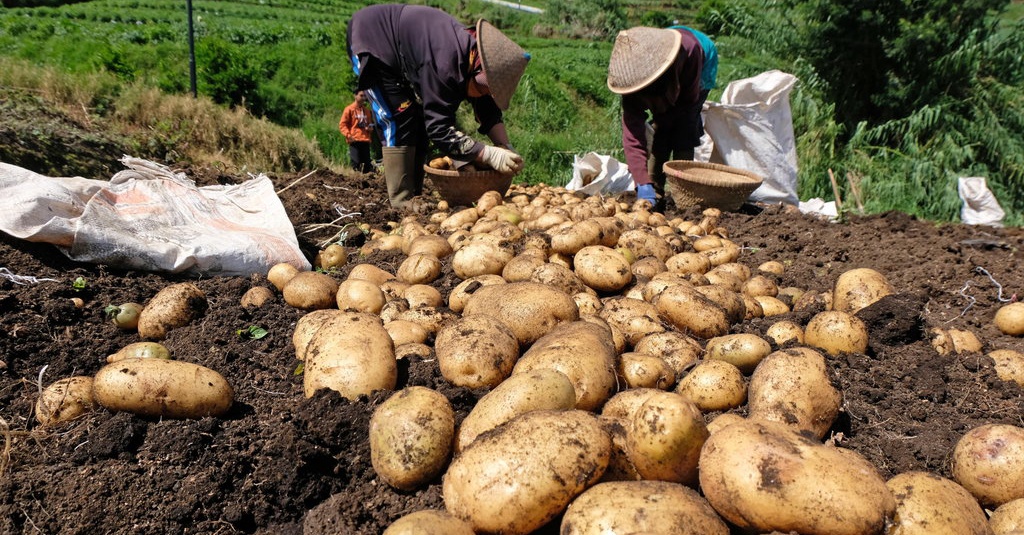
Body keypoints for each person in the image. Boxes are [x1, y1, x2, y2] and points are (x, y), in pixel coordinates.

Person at [346, 4, 530, 208]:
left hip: (400, 47)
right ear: (476, 73)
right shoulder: (446, 65)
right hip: (371, 40)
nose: (482, 96)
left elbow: (485, 103)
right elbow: (438, 128)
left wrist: (506, 146)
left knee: (417, 119)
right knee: (399, 115)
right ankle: (400, 200)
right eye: (482, 90)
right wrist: (489, 154)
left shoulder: (473, 58)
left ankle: (414, 193)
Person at [607, 25, 719, 210]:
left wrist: (667, 118)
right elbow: (632, 135)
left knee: (684, 128)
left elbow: (687, 105)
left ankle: (684, 194)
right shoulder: (631, 79)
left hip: (700, 59)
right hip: (660, 62)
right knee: (661, 128)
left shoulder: (690, 52)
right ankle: (654, 187)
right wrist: (641, 182)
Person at [338, 90, 375, 174]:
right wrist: (348, 135)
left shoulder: (367, 111)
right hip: (354, 140)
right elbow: (342, 125)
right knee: (356, 164)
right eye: (361, 96)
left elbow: (370, 124)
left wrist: (370, 128)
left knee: (367, 165)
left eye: (364, 96)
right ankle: (356, 182)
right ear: (355, 96)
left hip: (365, 140)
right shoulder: (349, 109)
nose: (363, 98)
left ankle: (368, 184)